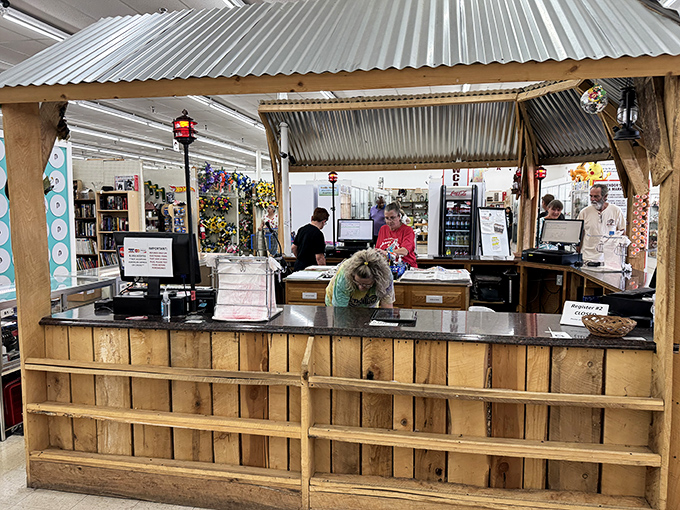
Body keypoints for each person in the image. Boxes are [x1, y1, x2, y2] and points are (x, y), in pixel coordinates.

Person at [325, 248, 395, 308]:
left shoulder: (385, 277)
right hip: (340, 304)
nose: (361, 288)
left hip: (368, 303)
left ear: (376, 279)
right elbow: (340, 313)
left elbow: (387, 307)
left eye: (366, 285)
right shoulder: (344, 276)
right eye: (357, 282)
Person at [577, 184, 626, 262]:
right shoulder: (584, 212)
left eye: (596, 196)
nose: (593, 199)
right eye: (591, 196)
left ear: (605, 196)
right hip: (588, 257)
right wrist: (578, 254)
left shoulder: (616, 211)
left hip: (609, 258)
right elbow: (579, 235)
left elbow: (622, 232)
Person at [376, 203, 417, 268]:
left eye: (392, 218)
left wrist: (386, 253)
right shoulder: (383, 229)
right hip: (387, 268)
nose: (389, 221)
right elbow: (378, 249)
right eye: (387, 218)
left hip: (405, 268)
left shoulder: (408, 230)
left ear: (399, 216)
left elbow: (404, 251)